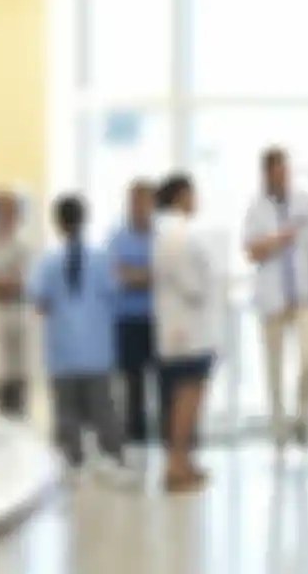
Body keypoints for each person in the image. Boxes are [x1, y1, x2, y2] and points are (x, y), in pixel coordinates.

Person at [29, 195, 130, 483]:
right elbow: (115, 294)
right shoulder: (102, 259)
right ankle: (112, 459)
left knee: (68, 411)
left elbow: (40, 304)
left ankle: (73, 462)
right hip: (94, 349)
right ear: (84, 220)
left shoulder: (47, 263)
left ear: (58, 223)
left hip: (65, 350)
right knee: (102, 408)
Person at [243, 147, 308, 449]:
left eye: (285, 170)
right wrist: (278, 239)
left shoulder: (306, 202)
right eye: (276, 171)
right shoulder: (255, 209)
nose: (282, 176)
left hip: (304, 296)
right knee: (273, 369)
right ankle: (278, 430)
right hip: (272, 299)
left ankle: (302, 417)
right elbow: (251, 252)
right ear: (266, 173)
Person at [153, 174, 217, 493]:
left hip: (185, 328)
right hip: (187, 330)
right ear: (180, 196)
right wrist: (206, 286)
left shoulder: (170, 231)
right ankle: (176, 465)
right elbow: (192, 283)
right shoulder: (176, 233)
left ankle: (184, 462)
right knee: (185, 398)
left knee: (187, 397)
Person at [108, 180, 169, 447]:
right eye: (134, 202)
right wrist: (146, 275)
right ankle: (136, 443)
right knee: (133, 388)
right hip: (127, 321)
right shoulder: (116, 238)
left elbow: (166, 274)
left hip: (159, 321)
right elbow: (117, 275)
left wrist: (137, 275)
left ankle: (169, 444)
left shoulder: (163, 238)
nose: (139, 208)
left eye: (144, 202)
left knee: (164, 386)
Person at [0, 190, 32, 419]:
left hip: (20, 312)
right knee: (0, 374)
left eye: (9, 210)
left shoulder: (25, 242)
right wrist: (5, 281)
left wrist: (5, 283)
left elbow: (22, 281)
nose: (5, 215)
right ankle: (2, 418)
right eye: (0, 210)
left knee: (19, 373)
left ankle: (19, 417)